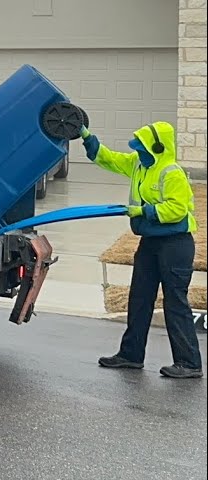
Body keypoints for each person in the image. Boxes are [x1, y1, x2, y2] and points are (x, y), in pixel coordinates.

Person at [80, 120, 202, 379]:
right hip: (150, 242)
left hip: (175, 245)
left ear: (157, 147)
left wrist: (144, 211)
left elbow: (178, 209)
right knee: (139, 298)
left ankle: (189, 363)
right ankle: (131, 355)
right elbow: (109, 159)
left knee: (175, 303)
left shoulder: (171, 172)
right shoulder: (138, 164)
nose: (139, 152)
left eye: (144, 147)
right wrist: (86, 136)